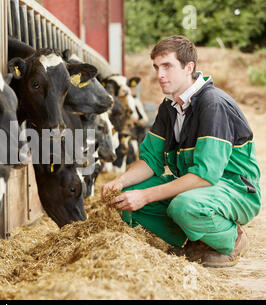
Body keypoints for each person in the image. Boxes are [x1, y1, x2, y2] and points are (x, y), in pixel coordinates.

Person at [101, 35, 261, 268]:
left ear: (189, 67)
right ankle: (194, 239)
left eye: (167, 66)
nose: (159, 75)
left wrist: (145, 196)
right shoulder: (170, 108)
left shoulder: (212, 104)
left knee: (183, 205)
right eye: (156, 67)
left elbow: (205, 176)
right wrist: (120, 181)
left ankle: (231, 239)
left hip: (234, 190)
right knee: (126, 195)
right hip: (198, 190)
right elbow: (151, 161)